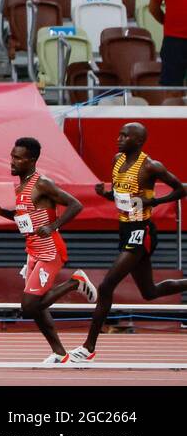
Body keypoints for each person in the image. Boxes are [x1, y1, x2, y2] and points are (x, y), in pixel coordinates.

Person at [69, 122, 187, 363]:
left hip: (142, 231)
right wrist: (106, 195)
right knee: (149, 292)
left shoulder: (151, 166)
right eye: (119, 134)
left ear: (139, 141)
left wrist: (154, 202)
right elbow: (121, 194)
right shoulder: (117, 161)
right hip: (125, 229)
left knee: (105, 286)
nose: (119, 138)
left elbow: (181, 189)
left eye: (125, 136)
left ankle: (88, 347)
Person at [0, 137, 95, 363]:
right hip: (33, 251)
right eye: (12, 156)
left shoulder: (42, 183)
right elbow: (25, 218)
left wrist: (54, 225)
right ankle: (60, 354)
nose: (12, 162)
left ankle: (76, 282)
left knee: (29, 306)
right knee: (37, 308)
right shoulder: (20, 186)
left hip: (50, 251)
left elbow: (76, 204)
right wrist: (2, 212)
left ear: (32, 160)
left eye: (17, 157)